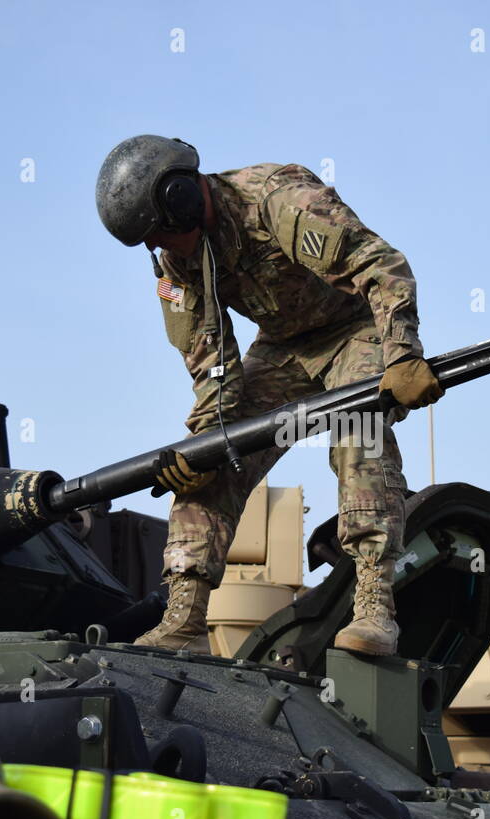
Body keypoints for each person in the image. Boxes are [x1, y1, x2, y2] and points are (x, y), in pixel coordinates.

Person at [95, 135, 442, 657]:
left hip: (353, 329)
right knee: (207, 461)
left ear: (183, 199)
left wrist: (401, 353)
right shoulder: (176, 262)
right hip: (282, 348)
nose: (157, 249)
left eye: (160, 233)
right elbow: (209, 357)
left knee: (357, 430)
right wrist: (206, 439)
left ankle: (374, 605)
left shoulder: (277, 200)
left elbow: (379, 263)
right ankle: (183, 621)